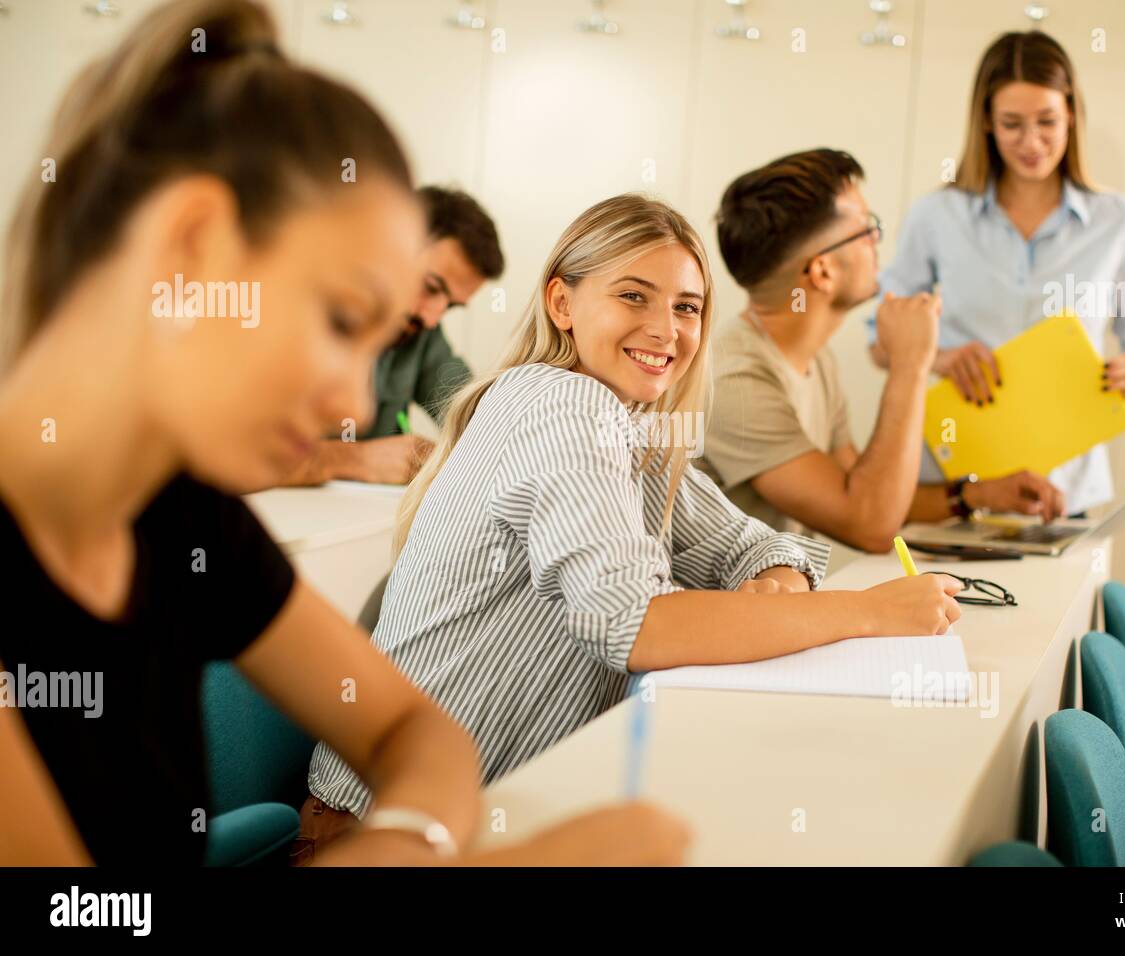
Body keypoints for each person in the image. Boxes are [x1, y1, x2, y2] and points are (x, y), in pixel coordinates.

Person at [0, 0, 688, 867]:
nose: (351, 396)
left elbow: (410, 726)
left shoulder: (181, 520)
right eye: (338, 319)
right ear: (193, 249)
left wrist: (408, 840)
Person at [303, 193, 964, 843]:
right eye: (634, 296)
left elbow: (756, 548)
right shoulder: (561, 405)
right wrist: (869, 612)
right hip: (381, 837)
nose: (665, 328)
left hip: (474, 821)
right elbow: (630, 622)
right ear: (562, 303)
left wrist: (770, 591)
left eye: (687, 307)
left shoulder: (632, 429)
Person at [701, 148, 1065, 556]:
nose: (878, 240)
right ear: (823, 271)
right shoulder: (735, 382)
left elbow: (864, 489)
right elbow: (870, 523)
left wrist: (976, 495)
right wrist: (910, 362)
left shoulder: (816, 361)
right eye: (867, 229)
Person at [869, 32, 1125, 515]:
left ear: (1072, 113)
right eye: (1012, 124)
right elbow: (878, 340)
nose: (1032, 143)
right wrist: (941, 359)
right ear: (986, 120)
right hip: (958, 483)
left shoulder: (1121, 221)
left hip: (1068, 489)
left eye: (1047, 121)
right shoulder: (937, 215)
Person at [279, 184, 503, 486]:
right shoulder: (288, 312)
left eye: (450, 305)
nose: (432, 316)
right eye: (432, 287)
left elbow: (477, 413)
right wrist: (355, 460)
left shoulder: (423, 334)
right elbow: (231, 451)